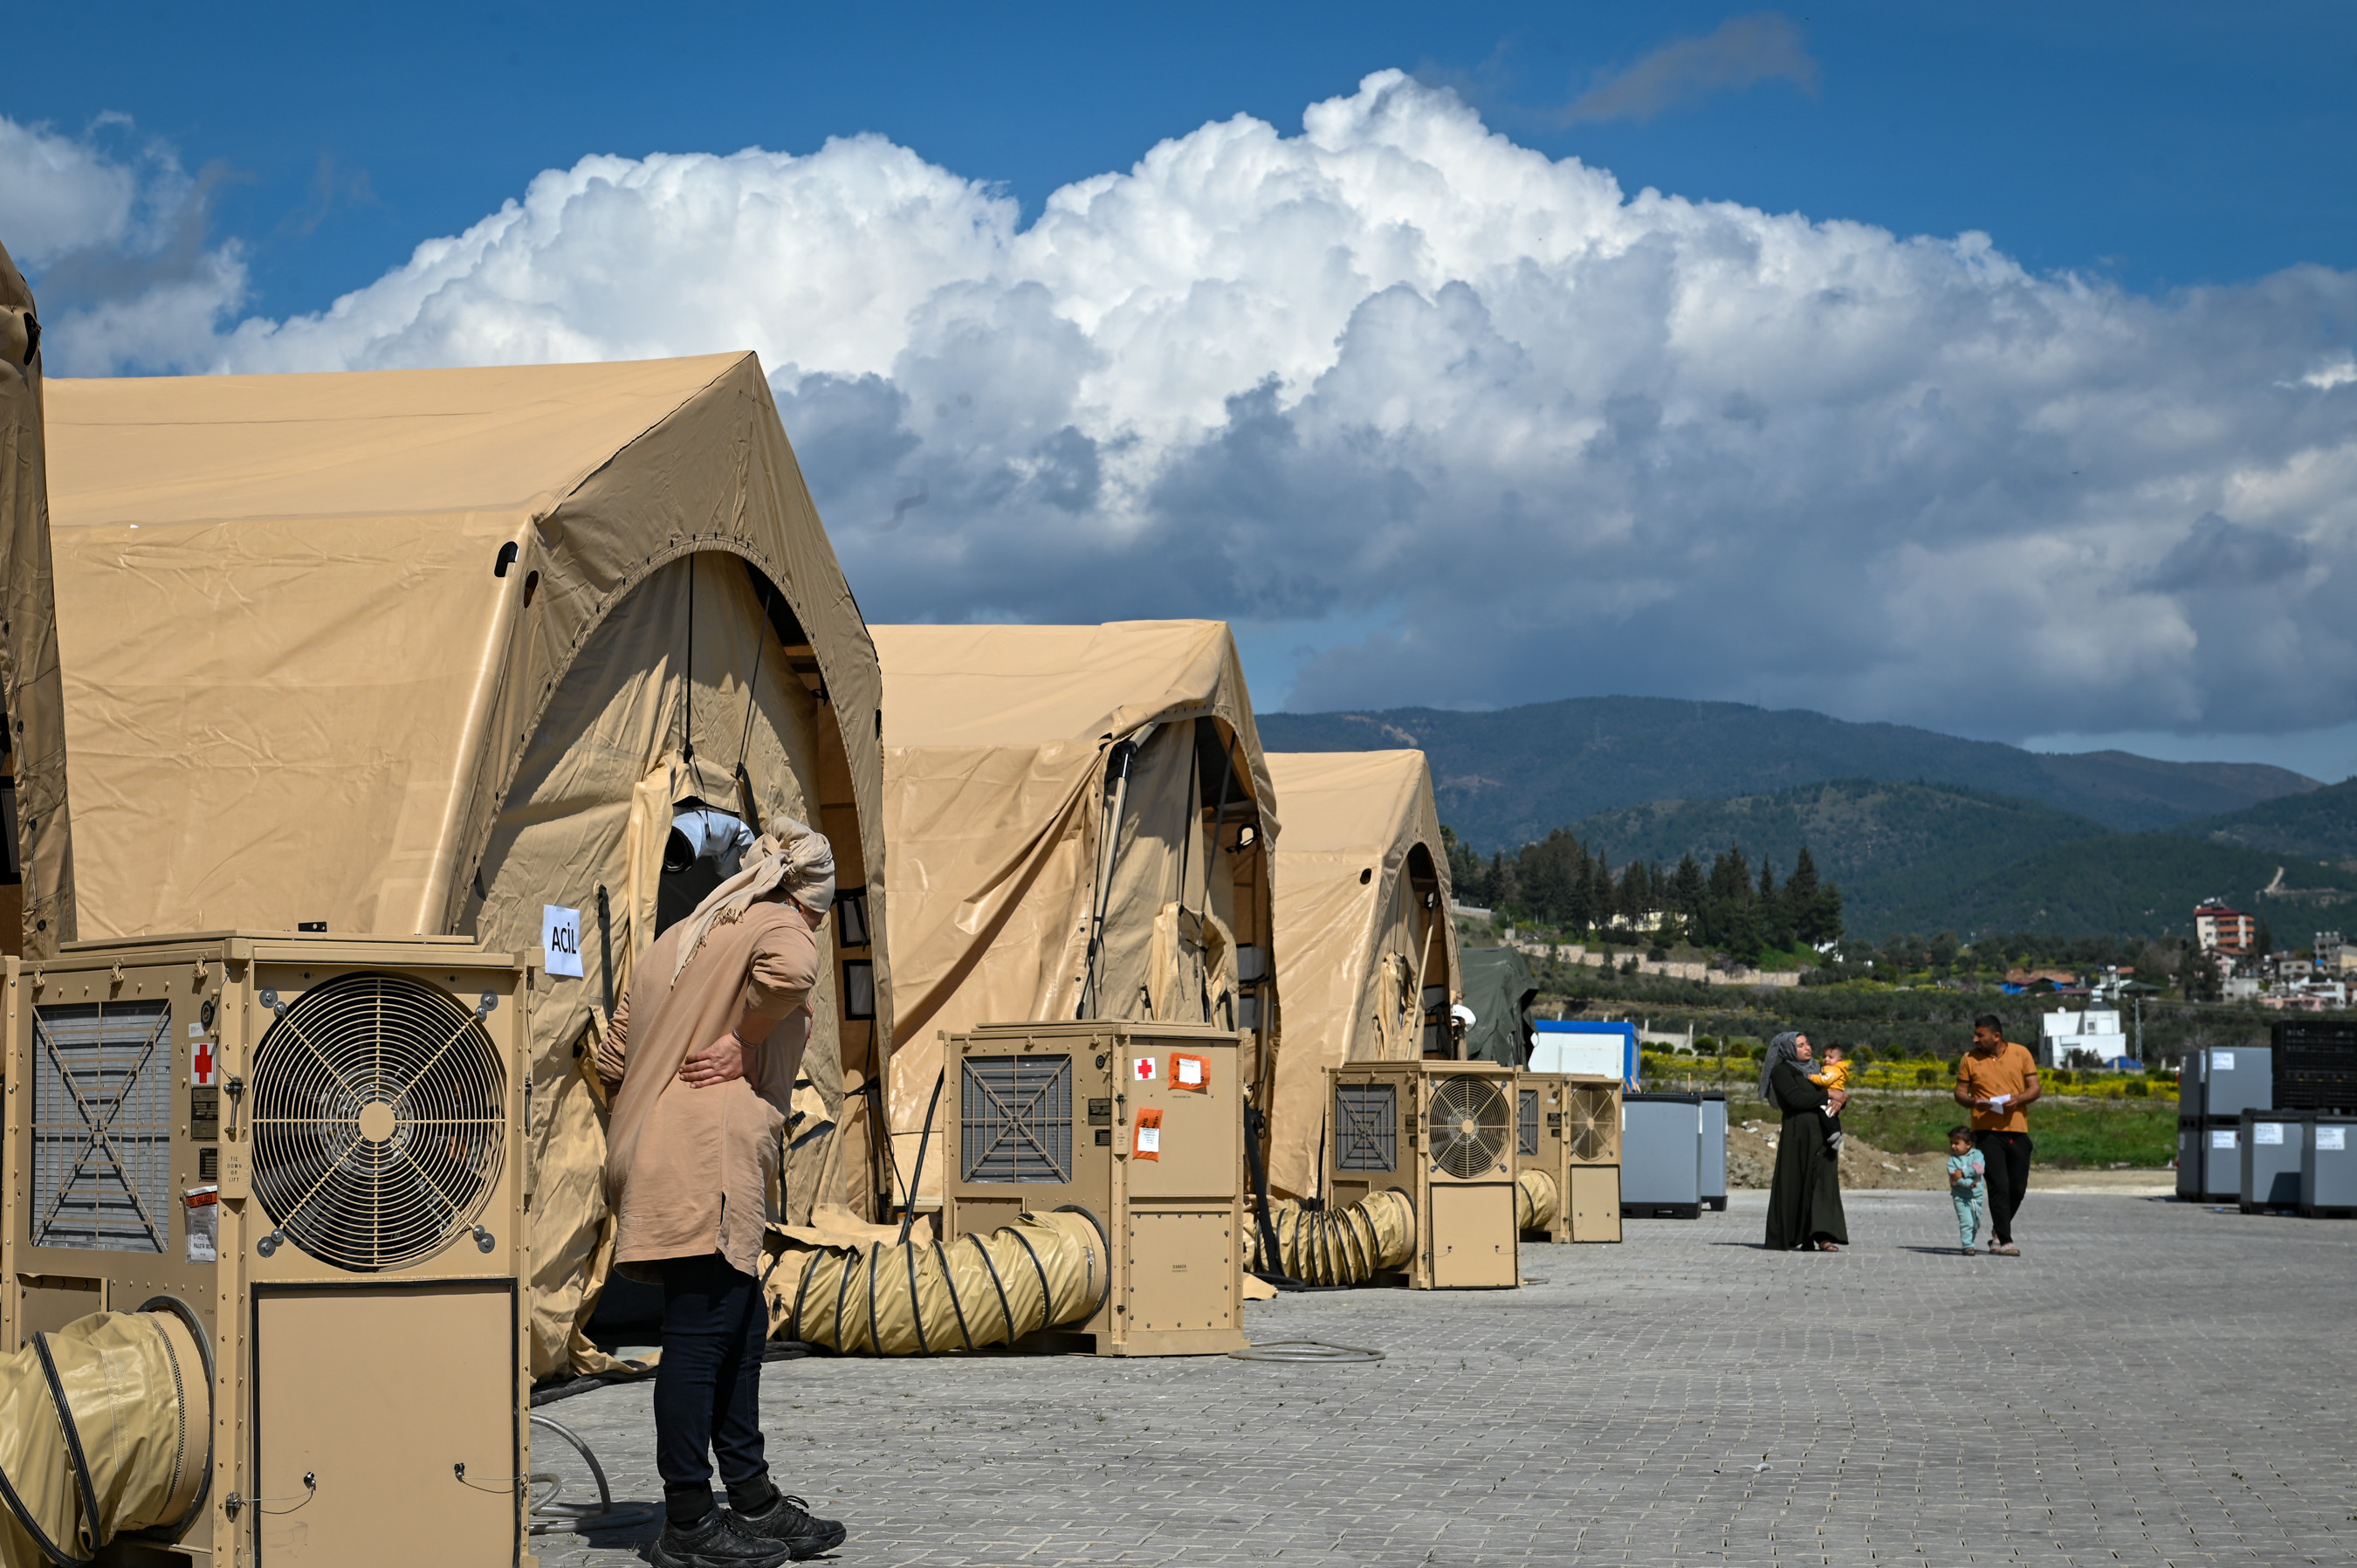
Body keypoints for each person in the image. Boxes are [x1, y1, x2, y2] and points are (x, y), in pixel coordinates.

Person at [598, 815, 850, 1568]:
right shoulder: (783, 923)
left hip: (657, 1149)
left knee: (740, 1328)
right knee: (702, 1337)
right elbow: (792, 973)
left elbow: (614, 1057)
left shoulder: (678, 938)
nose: (816, 927)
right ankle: (686, 1522)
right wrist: (743, 1039)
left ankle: (752, 1499)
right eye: (822, 913)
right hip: (705, 1155)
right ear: (810, 898)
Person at [1954, 1013, 2039, 1256]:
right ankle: (2005, 1240)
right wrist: (1973, 1102)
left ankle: (1997, 1232)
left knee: (2018, 1188)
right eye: (1976, 1034)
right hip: (1986, 1132)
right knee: (1999, 1185)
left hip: (2018, 1129)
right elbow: (1959, 1093)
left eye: (1980, 1035)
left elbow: (2035, 1089)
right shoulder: (1969, 1058)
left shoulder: (2021, 1053)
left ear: (1996, 1036)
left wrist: (2019, 1099)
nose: (1975, 1039)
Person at [1762, 1030, 1849, 1252]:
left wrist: (1840, 1099)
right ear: (1789, 1049)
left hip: (1824, 1135)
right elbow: (1795, 1099)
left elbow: (1836, 1091)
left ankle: (1825, 1237)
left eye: (1807, 1043)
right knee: (1796, 1183)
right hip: (1798, 1136)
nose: (1807, 1048)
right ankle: (1798, 1235)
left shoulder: (1819, 1069)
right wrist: (1829, 1095)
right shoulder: (1781, 1071)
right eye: (1800, 1045)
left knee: (1824, 1184)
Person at [1945, 1126, 1988, 1255]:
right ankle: (1968, 1245)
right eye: (1951, 1143)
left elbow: (1979, 1168)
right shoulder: (1952, 1161)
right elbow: (1954, 1179)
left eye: (1956, 1143)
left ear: (1968, 1144)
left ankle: (1970, 1238)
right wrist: (1969, 1183)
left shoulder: (1977, 1155)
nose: (1953, 1146)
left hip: (1976, 1197)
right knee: (1966, 1222)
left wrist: (1963, 1172)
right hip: (1960, 1197)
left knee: (1975, 1223)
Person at [1806, 1043, 1852, 1152]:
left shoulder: (1833, 1069)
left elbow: (1826, 1080)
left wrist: (1812, 1077)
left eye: (1830, 1057)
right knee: (1832, 1115)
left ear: (1839, 1060)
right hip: (1834, 1094)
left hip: (1831, 1094)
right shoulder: (1835, 1068)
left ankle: (1835, 1132)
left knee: (1825, 1111)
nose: (1826, 1059)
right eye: (1824, 1056)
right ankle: (1837, 1135)